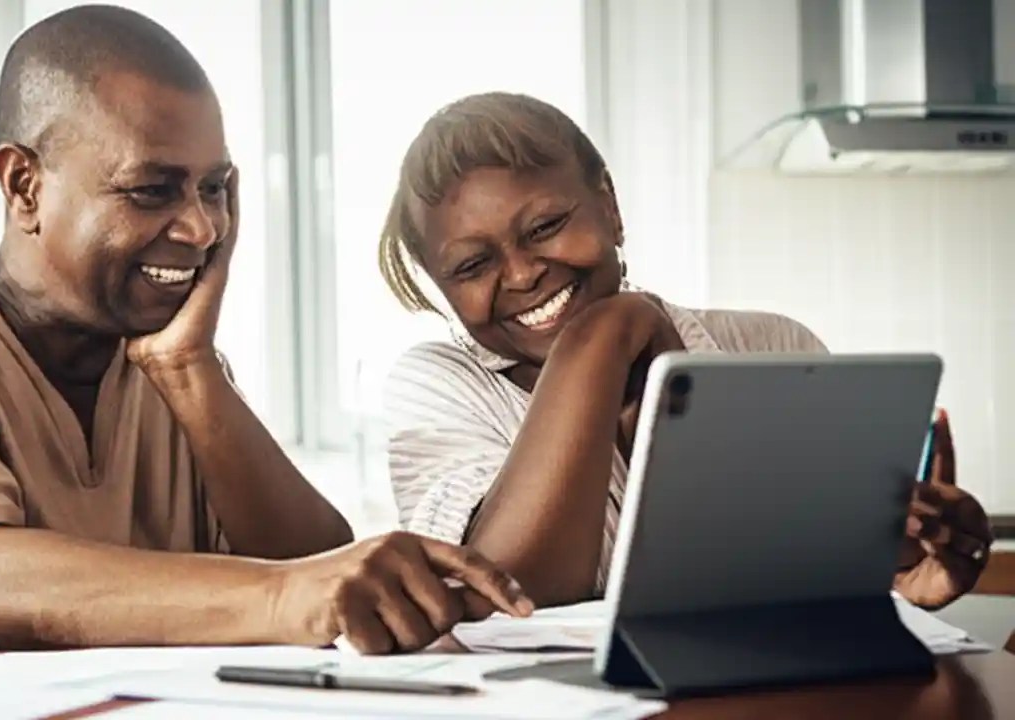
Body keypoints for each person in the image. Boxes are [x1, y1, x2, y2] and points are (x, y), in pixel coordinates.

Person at [0, 7, 532, 688]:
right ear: (24, 185)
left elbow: (318, 565)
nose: (201, 229)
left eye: (215, 188)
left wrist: (192, 376)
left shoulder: (163, 357)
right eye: (152, 190)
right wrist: (287, 594)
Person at [378, 91, 993, 610]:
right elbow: (508, 593)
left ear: (610, 207)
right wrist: (607, 333)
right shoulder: (437, 387)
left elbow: (807, 594)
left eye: (544, 227)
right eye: (473, 264)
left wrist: (893, 590)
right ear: (442, 288)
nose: (519, 275)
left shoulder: (774, 349)